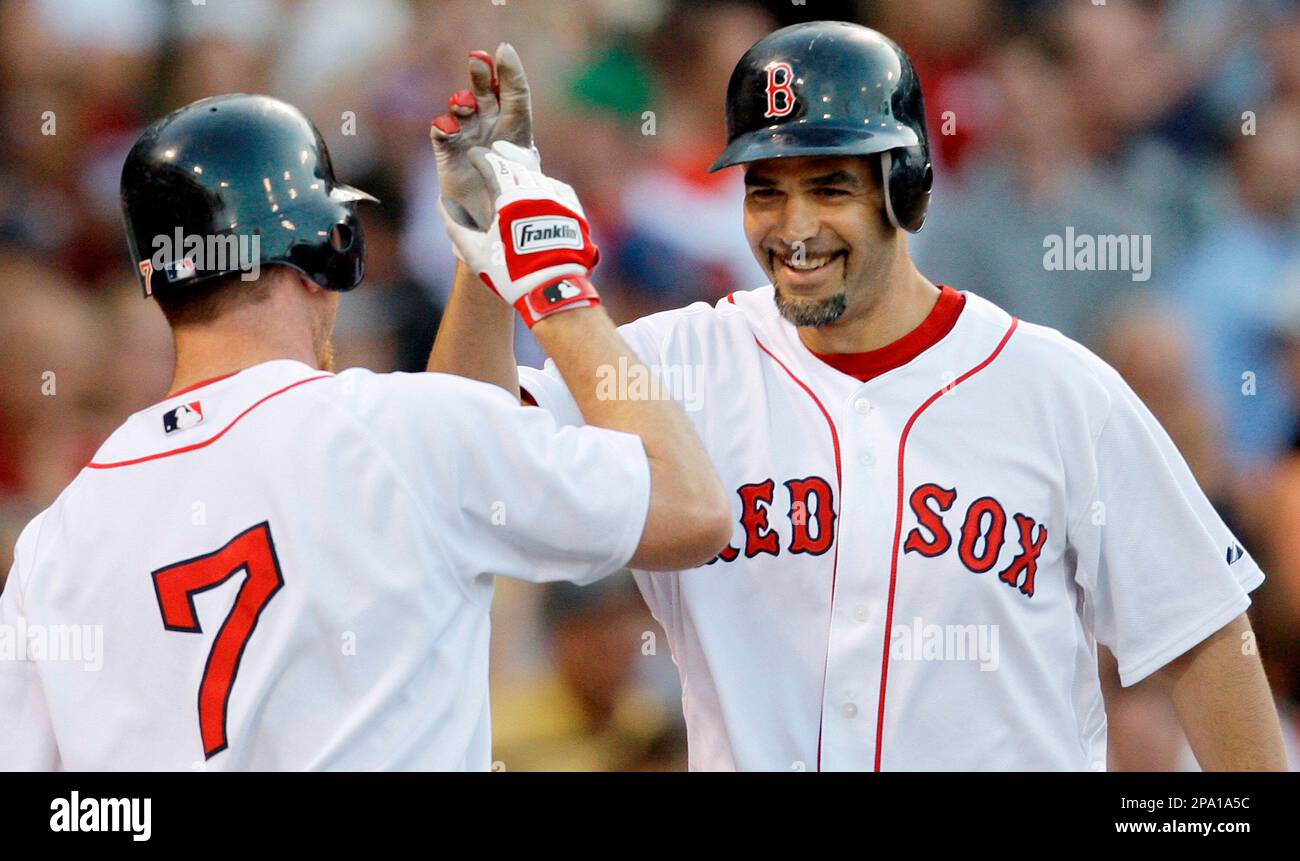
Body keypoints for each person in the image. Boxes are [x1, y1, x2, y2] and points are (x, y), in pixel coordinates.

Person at [429, 24, 1286, 771]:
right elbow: (465, 460)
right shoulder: (673, 364)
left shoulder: (1059, 389)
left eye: (829, 187)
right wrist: (484, 252)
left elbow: (1206, 637)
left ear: (905, 188)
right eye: (766, 189)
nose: (793, 226)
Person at [0, 92, 730, 770]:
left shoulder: (57, 536)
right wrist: (551, 283)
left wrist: (479, 267)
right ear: (329, 247)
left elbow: (464, 466)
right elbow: (692, 509)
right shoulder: (397, 431)